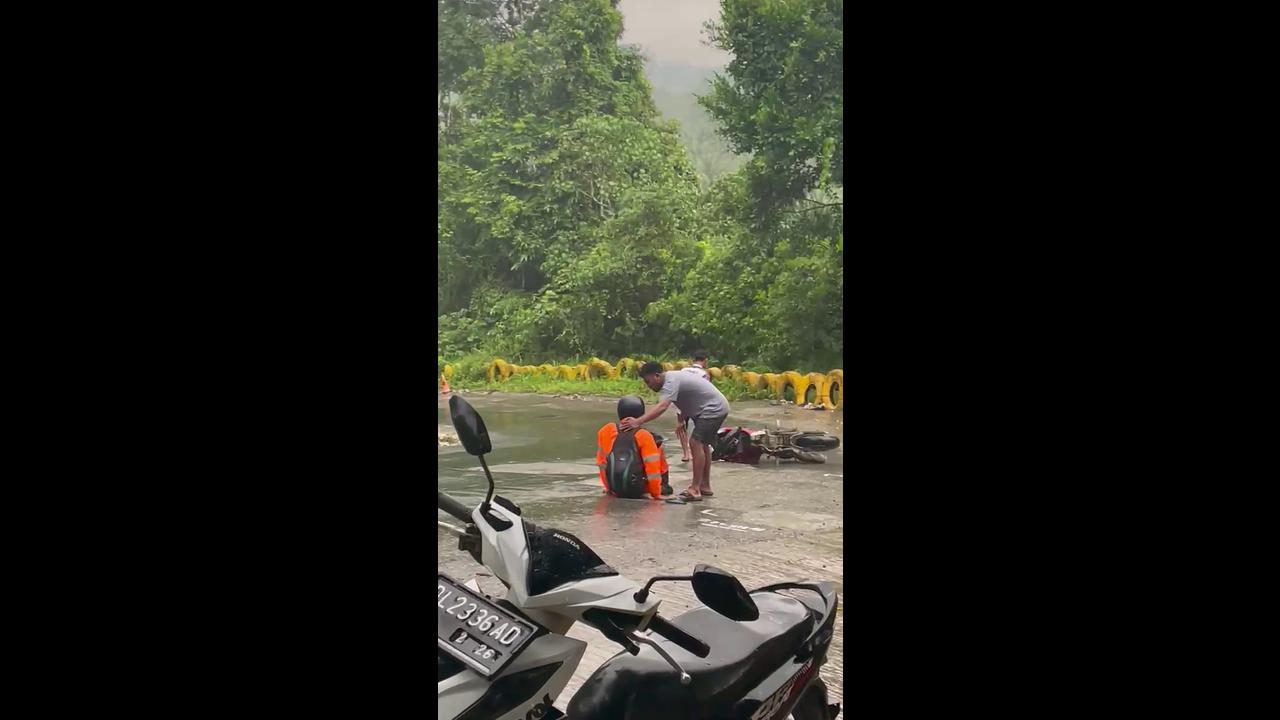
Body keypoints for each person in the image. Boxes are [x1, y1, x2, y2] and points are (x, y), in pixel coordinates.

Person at [622, 361, 729, 501]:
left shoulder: (669, 382)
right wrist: (681, 420)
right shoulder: (673, 378)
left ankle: (695, 489)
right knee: (703, 445)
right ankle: (704, 486)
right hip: (712, 407)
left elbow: (662, 407)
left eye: (648, 382)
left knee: (695, 443)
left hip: (712, 409)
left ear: (657, 375)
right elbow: (688, 397)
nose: (648, 386)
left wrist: (638, 421)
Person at [597, 396, 672, 499]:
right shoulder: (644, 436)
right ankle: (663, 486)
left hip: (615, 488)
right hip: (637, 490)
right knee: (658, 445)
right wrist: (656, 494)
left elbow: (602, 464)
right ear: (641, 415)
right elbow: (652, 470)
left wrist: (609, 488)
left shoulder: (605, 431)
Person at [675, 350, 711, 462]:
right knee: (699, 430)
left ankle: (686, 454)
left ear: (693, 360)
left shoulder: (683, 370)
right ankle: (699, 452)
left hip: (681, 401)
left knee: (681, 426)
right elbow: (706, 390)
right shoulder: (704, 374)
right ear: (705, 361)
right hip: (697, 404)